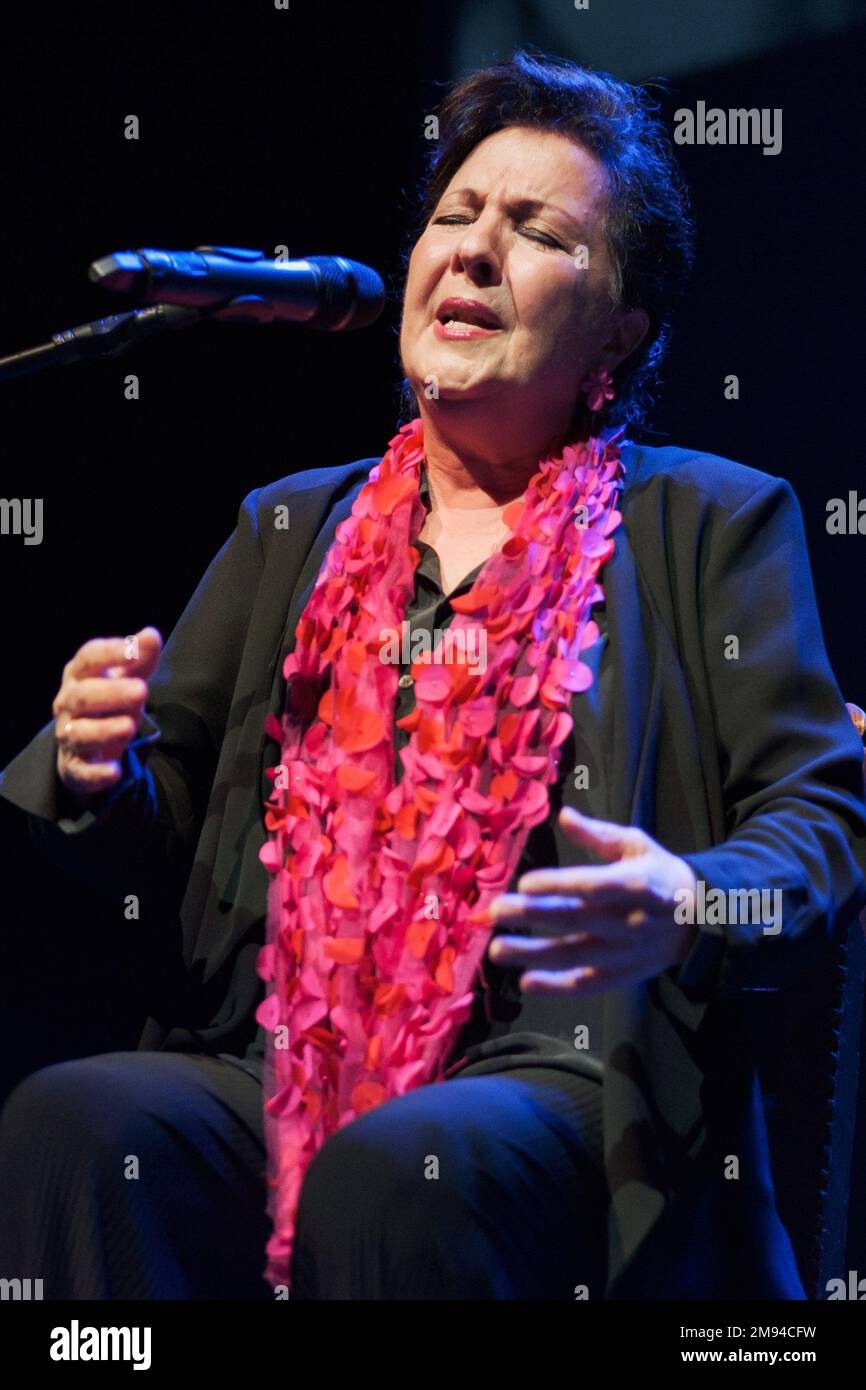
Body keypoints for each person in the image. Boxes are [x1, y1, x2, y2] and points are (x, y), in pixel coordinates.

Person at [1, 49, 865, 1301]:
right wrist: (100, 765)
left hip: (569, 1077)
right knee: (74, 1122)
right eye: (452, 217)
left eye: (532, 232)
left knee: (398, 1167)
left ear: (620, 328)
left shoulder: (708, 524)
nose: (468, 250)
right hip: (285, 1066)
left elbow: (822, 812)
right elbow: (153, 841)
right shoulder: (290, 528)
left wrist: (688, 898)